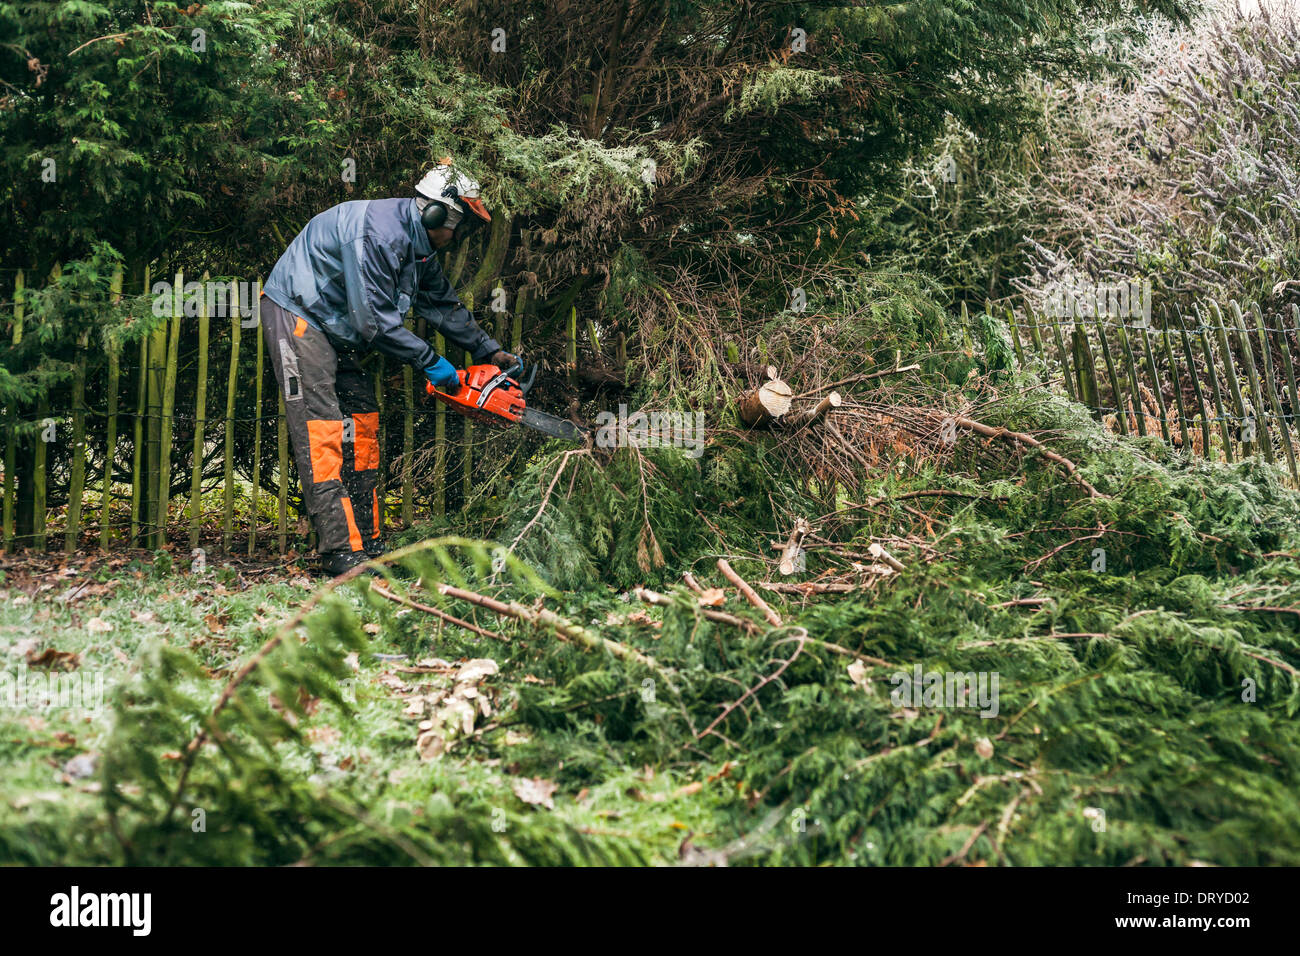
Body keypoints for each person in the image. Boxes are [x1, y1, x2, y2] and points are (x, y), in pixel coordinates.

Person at [260, 164, 517, 576]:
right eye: (458, 227)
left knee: (363, 423)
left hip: (337, 330)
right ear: (437, 215)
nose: (456, 238)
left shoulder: (419, 249)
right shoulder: (379, 234)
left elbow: (440, 305)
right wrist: (434, 364)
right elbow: (374, 322)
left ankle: (368, 542)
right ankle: (341, 553)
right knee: (321, 429)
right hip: (300, 316)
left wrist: (490, 350)